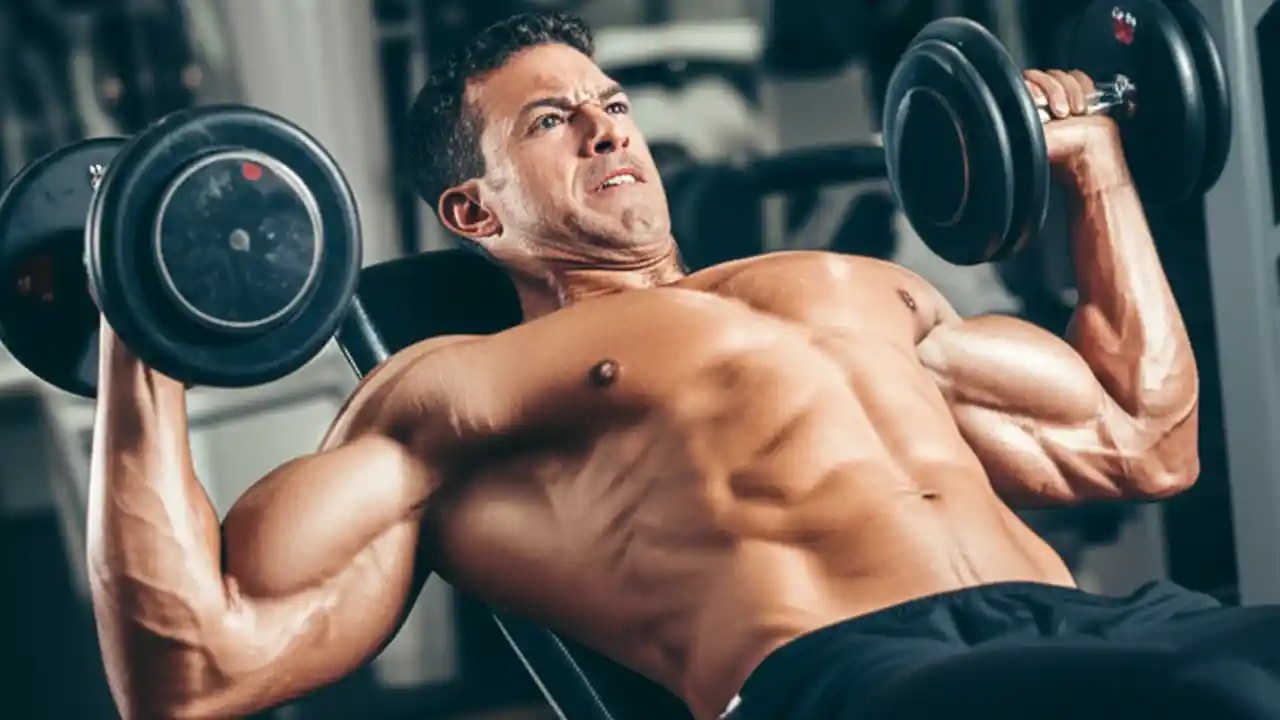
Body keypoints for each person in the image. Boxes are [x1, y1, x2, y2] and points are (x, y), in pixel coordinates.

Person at [85, 11, 1278, 720]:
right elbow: (195, 667)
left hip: (1094, 631)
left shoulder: (846, 287)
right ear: (473, 210)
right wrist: (139, 313)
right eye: (549, 121)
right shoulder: (456, 386)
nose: (607, 126)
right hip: (857, 678)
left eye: (608, 102)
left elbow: (1142, 438)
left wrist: (1092, 166)